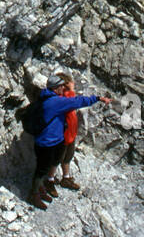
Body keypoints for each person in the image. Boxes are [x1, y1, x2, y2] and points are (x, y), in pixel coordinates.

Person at [29, 73, 110, 209]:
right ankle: (34, 195)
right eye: (61, 86)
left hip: (49, 140)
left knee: (45, 166)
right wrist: (97, 98)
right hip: (47, 142)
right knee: (42, 169)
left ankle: (41, 189)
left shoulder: (46, 97)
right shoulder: (56, 102)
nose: (63, 88)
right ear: (55, 88)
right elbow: (77, 101)